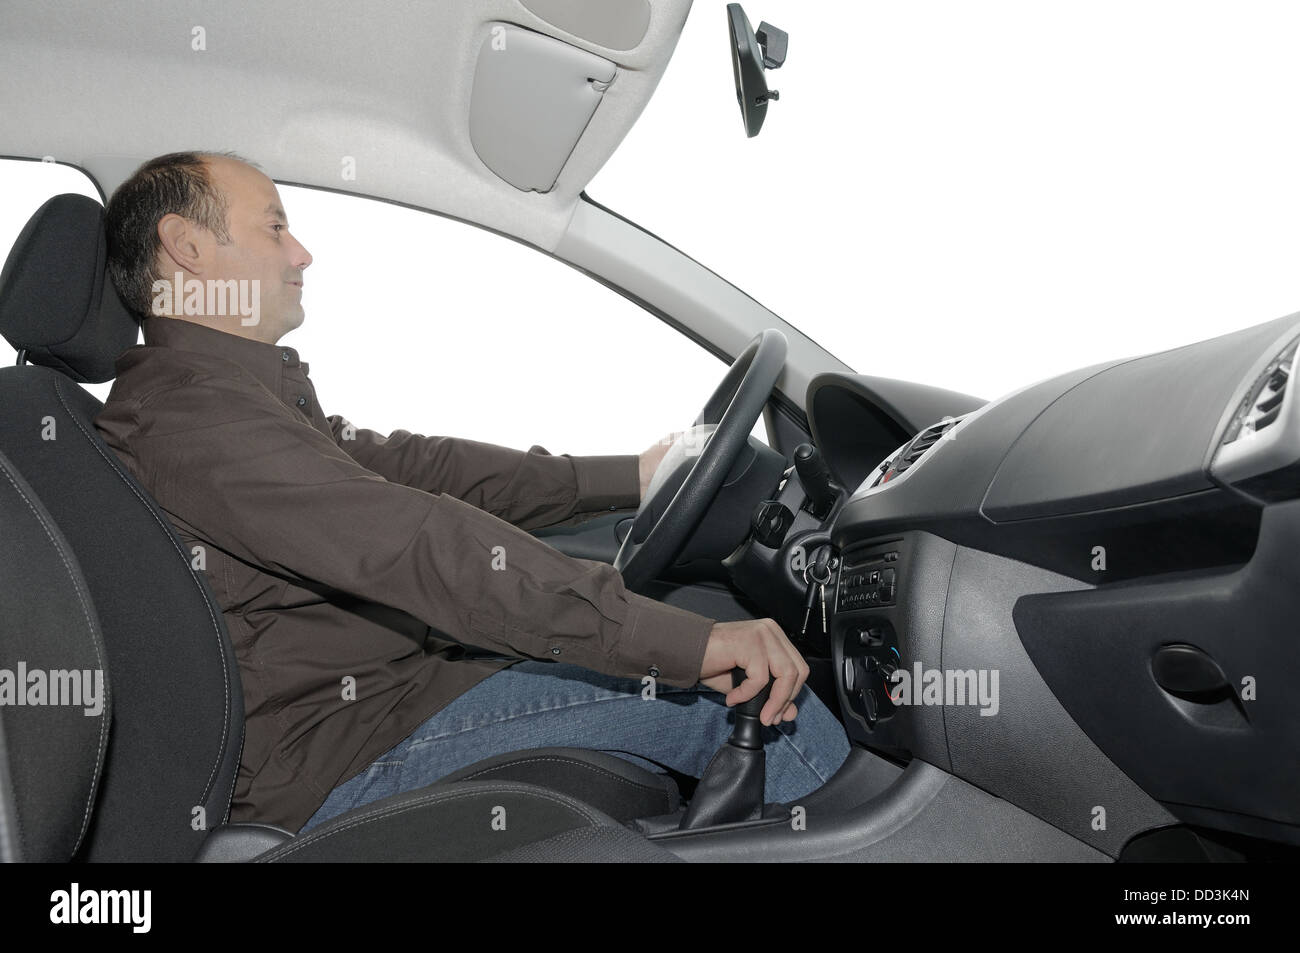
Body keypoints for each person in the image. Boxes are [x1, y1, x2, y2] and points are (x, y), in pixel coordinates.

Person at [93, 151, 850, 835]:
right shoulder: (191, 419)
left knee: (687, 638)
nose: (302, 252)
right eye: (274, 226)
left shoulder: (230, 395)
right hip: (342, 753)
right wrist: (689, 646)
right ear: (186, 247)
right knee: (750, 704)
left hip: (394, 696)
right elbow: (414, 542)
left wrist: (628, 477)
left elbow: (421, 468)